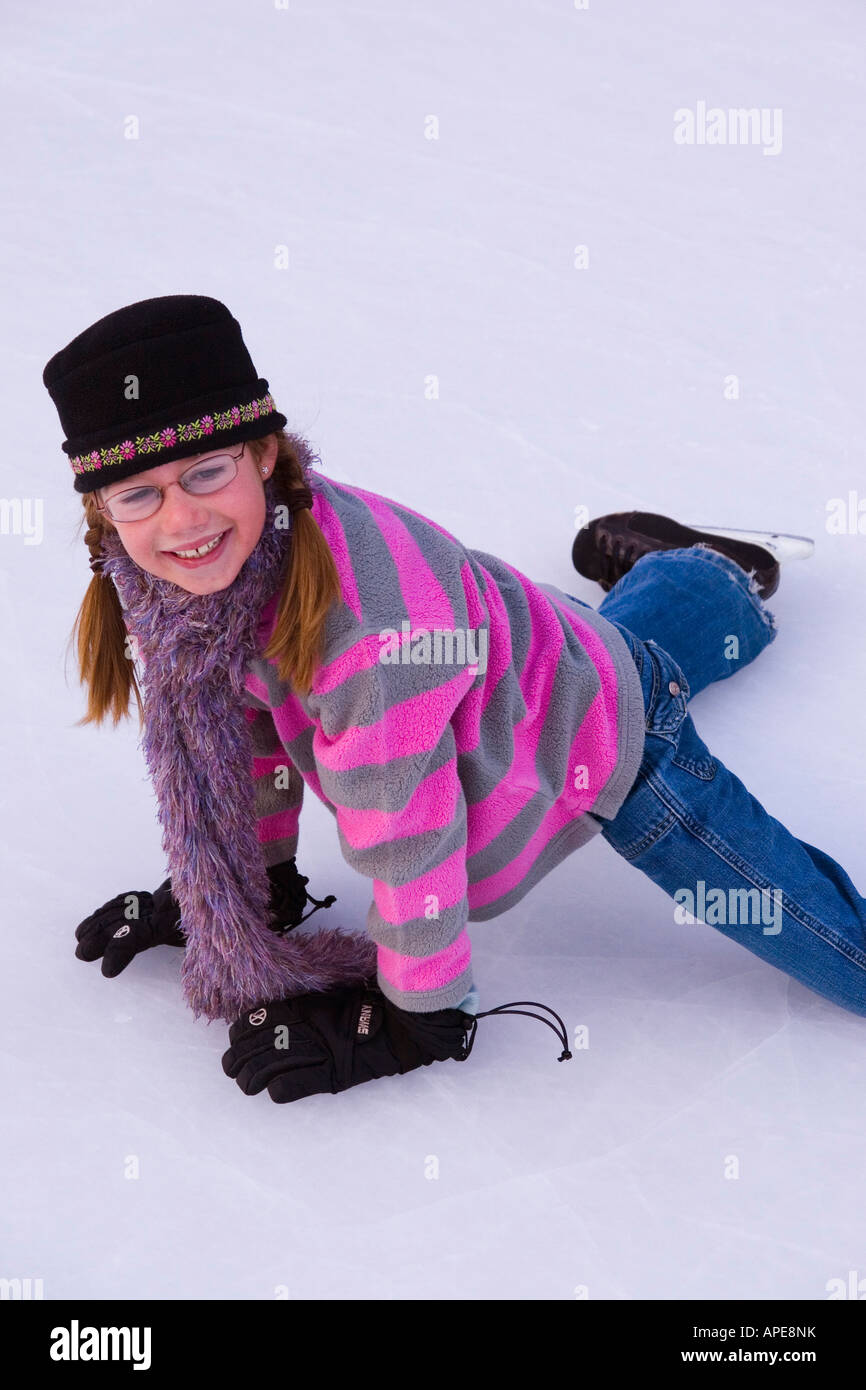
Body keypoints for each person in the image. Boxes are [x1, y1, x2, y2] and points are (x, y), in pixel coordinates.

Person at [42, 296, 866, 1105]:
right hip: (531, 647)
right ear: (102, 513)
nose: (182, 518)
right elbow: (252, 730)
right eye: (138, 494)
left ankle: (700, 578)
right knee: (621, 649)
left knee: (846, 957)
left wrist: (420, 1016)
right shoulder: (205, 577)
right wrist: (233, 888)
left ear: (263, 454)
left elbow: (408, 828)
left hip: (610, 743)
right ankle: (696, 572)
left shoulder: (369, 642)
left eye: (207, 471)